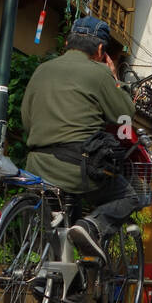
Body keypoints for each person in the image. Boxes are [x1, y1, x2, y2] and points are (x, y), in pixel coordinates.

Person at [21, 16, 137, 263]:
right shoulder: (98, 73)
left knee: (54, 220)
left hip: (37, 167)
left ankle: (51, 278)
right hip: (78, 170)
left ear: (66, 43)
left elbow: (27, 121)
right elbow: (124, 115)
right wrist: (116, 80)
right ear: (99, 50)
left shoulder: (42, 70)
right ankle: (92, 226)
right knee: (130, 196)